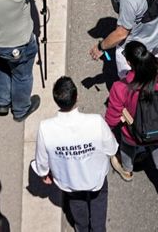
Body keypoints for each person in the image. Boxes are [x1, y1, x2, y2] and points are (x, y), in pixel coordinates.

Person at [104, 41, 158, 225]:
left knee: (127, 146)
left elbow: (111, 120)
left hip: (135, 134)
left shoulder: (120, 87)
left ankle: (127, 170)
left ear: (130, 64)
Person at [32, 76, 118, 232]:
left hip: (70, 181)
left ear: (56, 100)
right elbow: (112, 149)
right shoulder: (96, 122)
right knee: (98, 204)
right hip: (96, 179)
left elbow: (42, 160)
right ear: (77, 97)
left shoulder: (46, 128)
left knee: (77, 207)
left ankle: (82, 229)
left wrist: (44, 173)